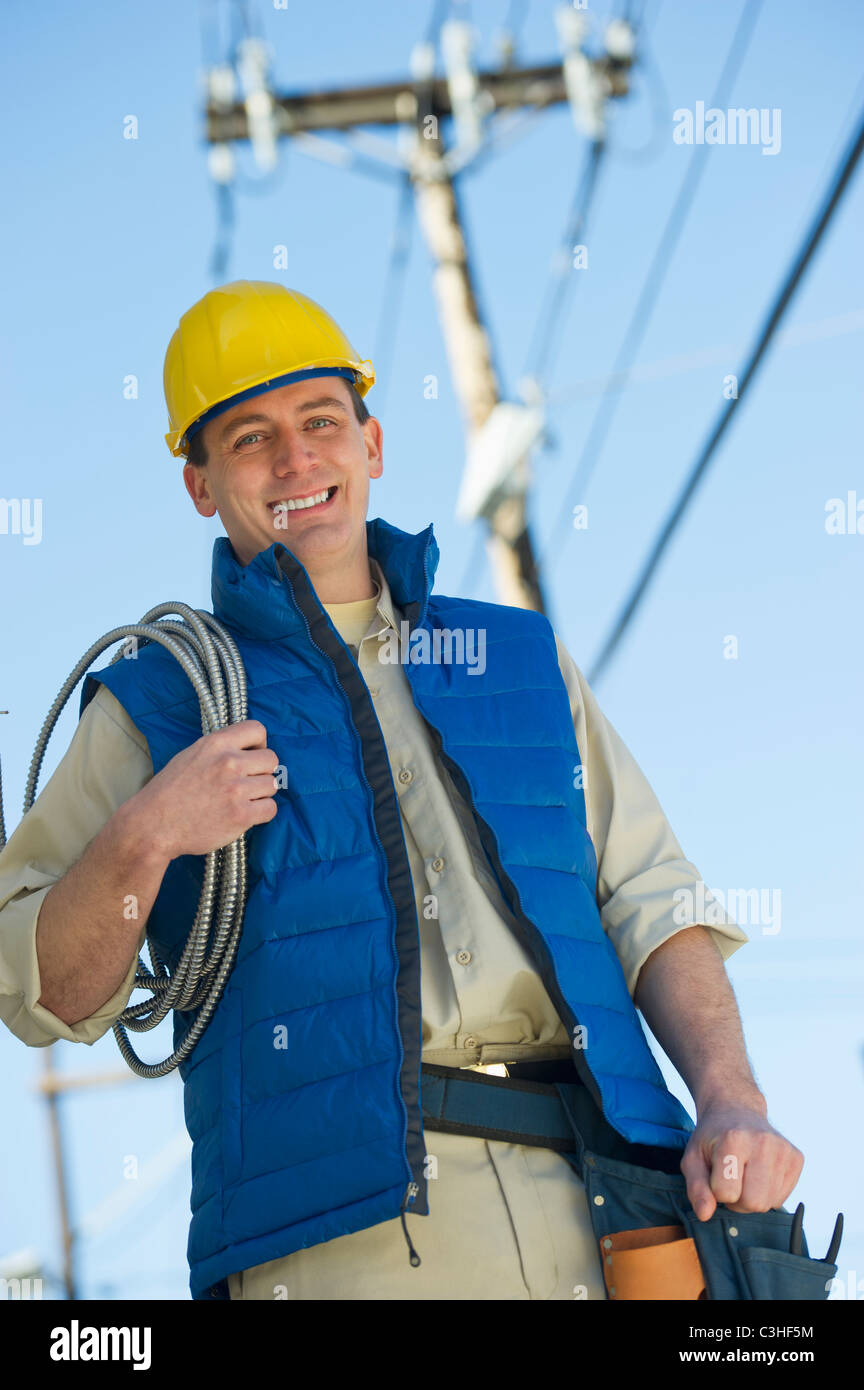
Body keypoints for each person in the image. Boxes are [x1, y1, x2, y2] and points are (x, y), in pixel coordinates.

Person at [0, 281, 803, 1301]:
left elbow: (651, 897)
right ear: (200, 484)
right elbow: (39, 989)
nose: (296, 461)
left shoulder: (516, 656)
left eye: (321, 422)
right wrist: (146, 836)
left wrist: (730, 1097)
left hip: (615, 1209)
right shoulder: (158, 701)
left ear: (370, 444)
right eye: (249, 439)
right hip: (346, 1247)